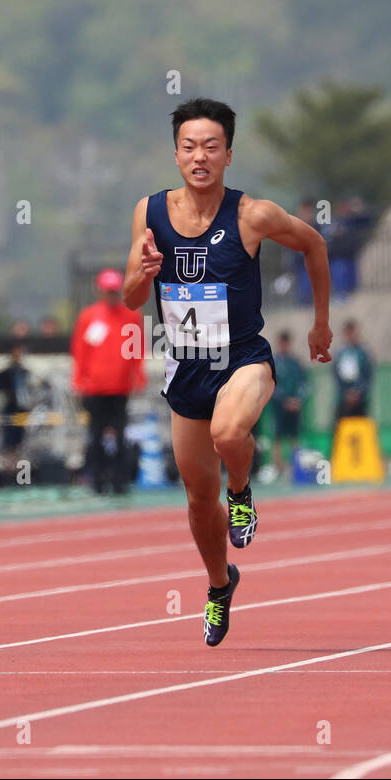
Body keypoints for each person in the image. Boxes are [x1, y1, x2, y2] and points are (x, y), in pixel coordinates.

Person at [123, 97, 332, 647]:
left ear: (228, 155)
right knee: (196, 496)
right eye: (190, 147)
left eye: (211, 147)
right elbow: (128, 298)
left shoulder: (252, 215)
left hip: (244, 358)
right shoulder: (149, 213)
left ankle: (242, 490)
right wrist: (143, 275)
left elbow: (314, 244)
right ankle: (220, 584)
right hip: (187, 366)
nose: (200, 157)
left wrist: (320, 324)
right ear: (175, 155)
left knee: (229, 433)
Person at [71, 268, 147, 494]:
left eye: (115, 291)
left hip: (120, 387)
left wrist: (138, 375)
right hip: (95, 388)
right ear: (100, 291)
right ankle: (97, 481)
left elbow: (136, 349)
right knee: (95, 435)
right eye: (108, 291)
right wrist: (78, 380)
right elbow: (80, 350)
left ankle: (120, 480)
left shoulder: (132, 315)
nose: (111, 295)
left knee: (121, 435)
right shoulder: (89, 316)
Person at [269, 330, 308, 477]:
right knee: (277, 436)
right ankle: (278, 467)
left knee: (294, 436)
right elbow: (271, 383)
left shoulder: (295, 362)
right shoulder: (274, 362)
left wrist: (297, 399)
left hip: (294, 406)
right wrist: (284, 400)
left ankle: (295, 467)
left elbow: (304, 383)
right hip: (279, 407)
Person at [333, 320, 374, 421]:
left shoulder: (363, 353)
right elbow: (336, 375)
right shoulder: (340, 353)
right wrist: (346, 393)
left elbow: (368, 375)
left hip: (360, 399)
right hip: (343, 400)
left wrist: (358, 392)